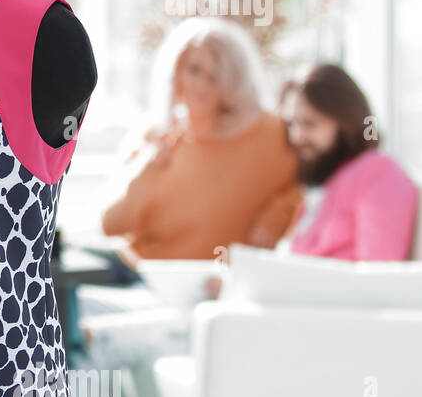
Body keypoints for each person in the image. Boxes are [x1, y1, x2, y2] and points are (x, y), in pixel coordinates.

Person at [100, 16, 302, 263]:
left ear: (234, 81)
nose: (201, 85)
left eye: (215, 76)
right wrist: (151, 167)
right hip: (146, 276)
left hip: (225, 282)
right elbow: (110, 226)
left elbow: (314, 180)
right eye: (194, 70)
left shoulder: (270, 131)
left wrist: (279, 215)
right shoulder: (156, 134)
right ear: (176, 71)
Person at [279, 63, 418, 260]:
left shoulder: (377, 171)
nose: (296, 136)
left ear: (346, 122)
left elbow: (378, 274)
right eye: (291, 123)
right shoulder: (325, 184)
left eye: (309, 123)